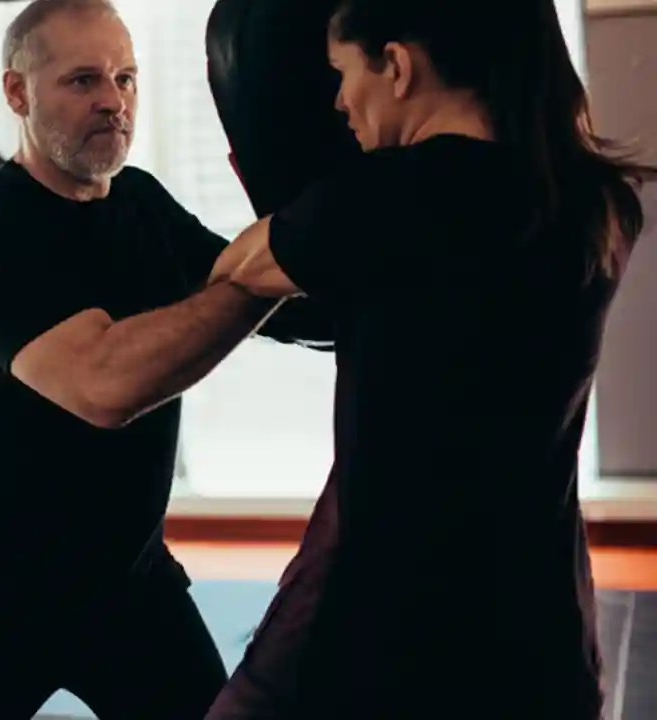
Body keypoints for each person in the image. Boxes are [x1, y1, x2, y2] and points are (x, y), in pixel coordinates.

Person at [199, 0, 653, 717]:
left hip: (409, 641)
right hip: (546, 622)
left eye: (344, 73)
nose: (342, 102)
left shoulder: (382, 197)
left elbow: (241, 266)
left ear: (399, 67)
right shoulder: (599, 201)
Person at [0, 2, 327, 718]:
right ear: (18, 94)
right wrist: (281, 262)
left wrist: (367, 254)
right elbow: (105, 384)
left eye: (126, 78)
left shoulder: (142, 203)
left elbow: (279, 296)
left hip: (127, 583)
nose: (114, 102)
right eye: (83, 80)